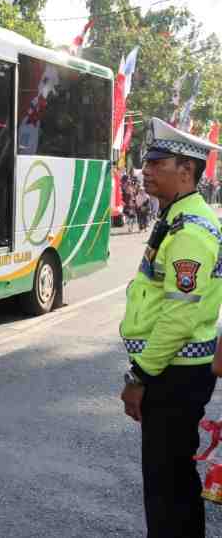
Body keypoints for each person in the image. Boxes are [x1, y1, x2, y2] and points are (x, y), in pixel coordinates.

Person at [119, 117, 222, 538]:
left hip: (173, 374)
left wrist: (139, 376)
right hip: (174, 372)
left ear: (186, 171)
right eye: (146, 160)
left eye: (157, 161)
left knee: (167, 486)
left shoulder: (190, 233)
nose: (146, 168)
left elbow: (179, 318)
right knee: (173, 480)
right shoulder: (174, 218)